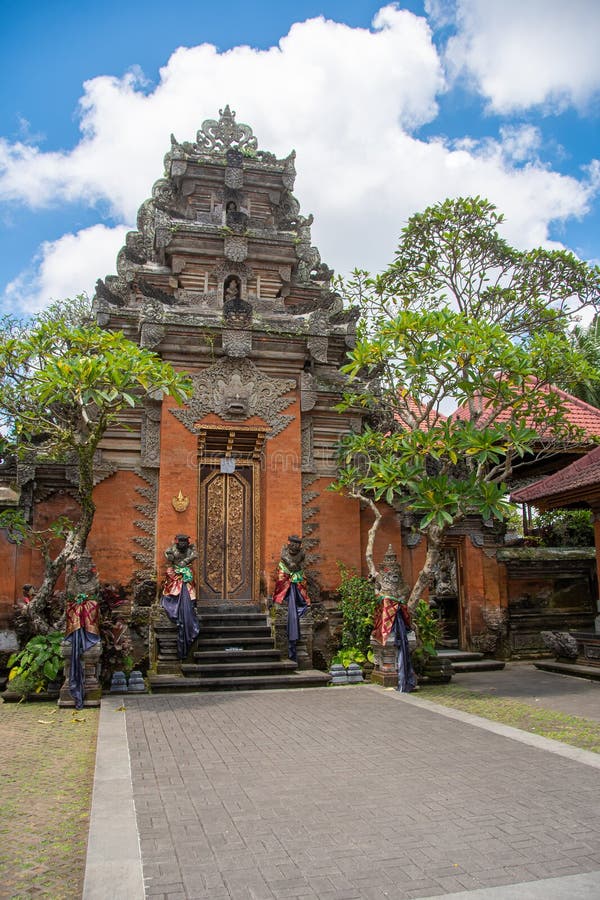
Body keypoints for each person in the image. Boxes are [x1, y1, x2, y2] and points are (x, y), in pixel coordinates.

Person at [371, 546, 417, 693]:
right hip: (385, 619)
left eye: (396, 571)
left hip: (399, 617)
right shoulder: (381, 581)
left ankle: (402, 674)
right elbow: (376, 592)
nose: (394, 574)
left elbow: (406, 590)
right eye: (390, 571)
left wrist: (398, 599)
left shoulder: (401, 586)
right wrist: (384, 597)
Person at [64, 550, 101, 709]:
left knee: (91, 606)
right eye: (81, 569)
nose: (84, 572)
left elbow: (93, 591)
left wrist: (85, 600)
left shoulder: (93, 583)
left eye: (87, 569)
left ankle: (88, 636)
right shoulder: (73, 583)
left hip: (89, 618)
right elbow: (71, 593)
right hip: (75, 618)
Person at [161, 535, 200, 659]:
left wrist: (185, 562)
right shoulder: (172, 549)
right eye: (180, 542)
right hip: (175, 573)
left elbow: (195, 555)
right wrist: (172, 559)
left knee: (188, 585)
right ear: (177, 542)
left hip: (186, 573)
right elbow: (168, 555)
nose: (182, 544)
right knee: (174, 581)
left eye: (185, 542)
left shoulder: (190, 550)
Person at [273, 535, 310, 662]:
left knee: (300, 589)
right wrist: (290, 564)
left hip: (297, 576)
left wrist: (294, 566)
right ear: (289, 543)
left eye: (297, 544)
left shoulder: (302, 553)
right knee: (282, 584)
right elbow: (285, 559)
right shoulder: (284, 551)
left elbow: (299, 564)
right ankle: (283, 600)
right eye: (292, 544)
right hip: (286, 573)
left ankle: (299, 604)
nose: (294, 547)